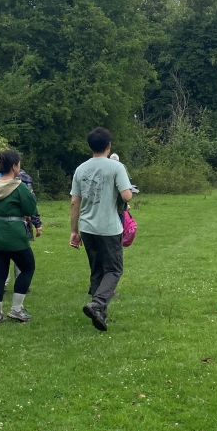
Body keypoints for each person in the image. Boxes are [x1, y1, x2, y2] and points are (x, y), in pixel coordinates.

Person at [70, 127, 133, 331]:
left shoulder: (80, 169)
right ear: (109, 146)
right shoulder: (116, 167)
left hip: (87, 227)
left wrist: (74, 231)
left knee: (97, 269)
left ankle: (100, 315)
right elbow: (126, 196)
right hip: (109, 227)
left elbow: (74, 202)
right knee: (114, 269)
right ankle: (98, 304)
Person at [0, 150, 41, 325]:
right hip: (14, 233)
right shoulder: (19, 186)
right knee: (27, 267)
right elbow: (30, 208)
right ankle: (16, 309)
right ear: (15, 166)